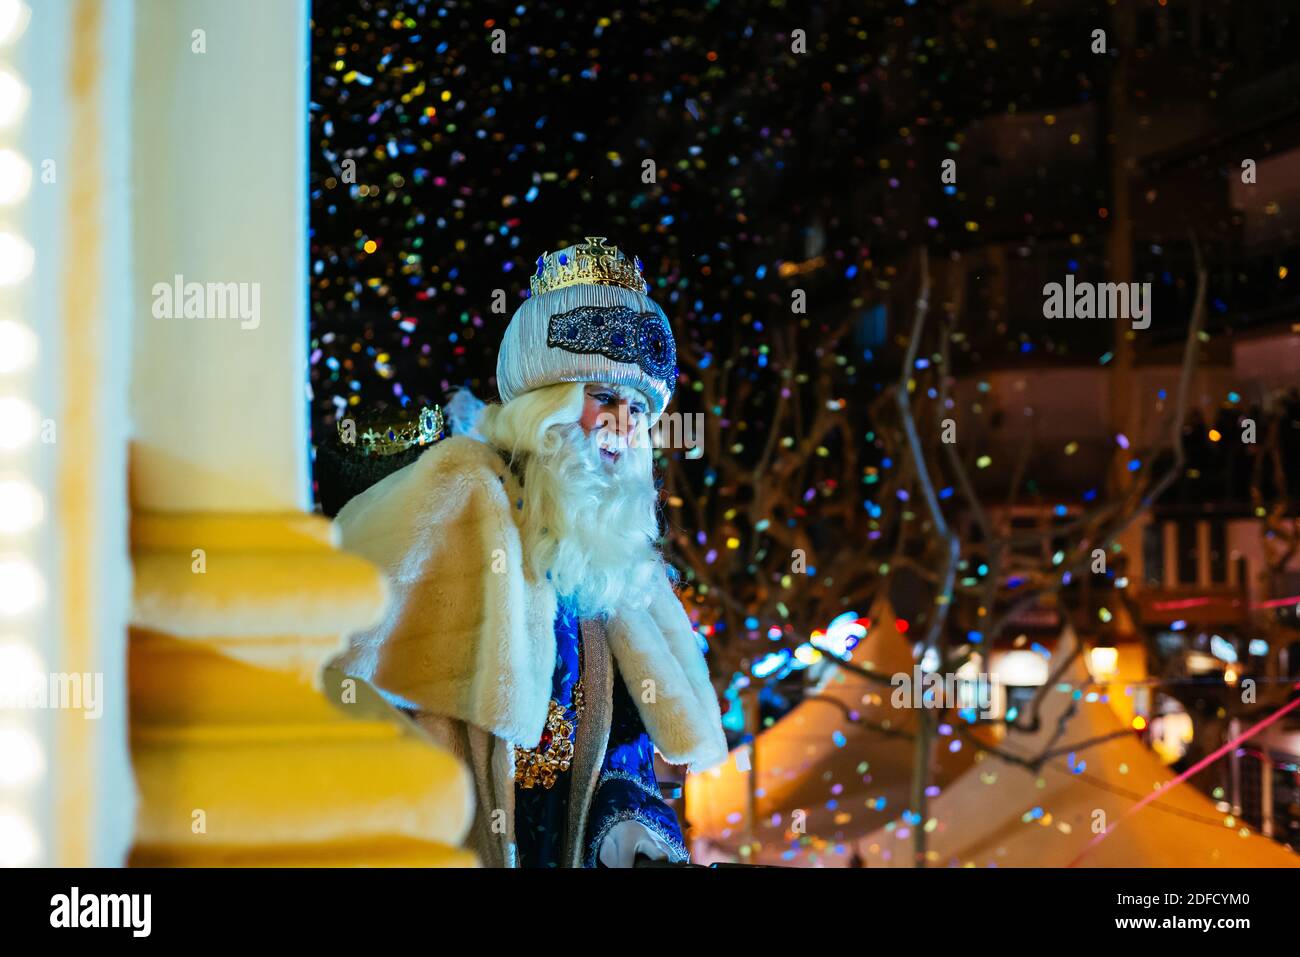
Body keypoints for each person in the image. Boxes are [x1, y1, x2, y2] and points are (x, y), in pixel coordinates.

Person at [329, 236, 728, 867]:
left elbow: (621, 767)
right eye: (602, 396)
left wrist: (638, 847)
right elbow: (335, 665)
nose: (621, 427)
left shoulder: (611, 563)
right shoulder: (458, 493)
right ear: (548, 401)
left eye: (638, 409)